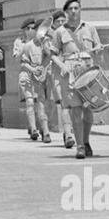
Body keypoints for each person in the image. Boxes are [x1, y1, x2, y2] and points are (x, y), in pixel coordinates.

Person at [52, 0, 103, 160]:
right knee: (75, 110)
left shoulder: (90, 28)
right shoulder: (60, 32)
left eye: (76, 8)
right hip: (71, 73)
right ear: (66, 12)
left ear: (80, 9)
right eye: (70, 9)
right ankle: (79, 146)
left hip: (88, 72)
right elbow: (53, 55)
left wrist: (100, 50)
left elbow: (98, 49)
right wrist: (62, 66)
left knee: (88, 111)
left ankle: (86, 141)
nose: (73, 11)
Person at [12, 19, 49, 142]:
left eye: (32, 28)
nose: (30, 31)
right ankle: (33, 129)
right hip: (26, 73)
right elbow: (17, 58)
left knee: (41, 102)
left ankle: (42, 128)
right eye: (27, 28)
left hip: (39, 74)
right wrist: (23, 49)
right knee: (29, 102)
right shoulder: (20, 42)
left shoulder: (42, 40)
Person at [44, 10, 76, 148]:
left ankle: (69, 131)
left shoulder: (70, 33)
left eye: (64, 21)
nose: (62, 23)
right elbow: (49, 53)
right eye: (59, 21)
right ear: (54, 23)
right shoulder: (50, 36)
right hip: (58, 72)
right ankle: (68, 134)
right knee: (65, 103)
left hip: (73, 71)